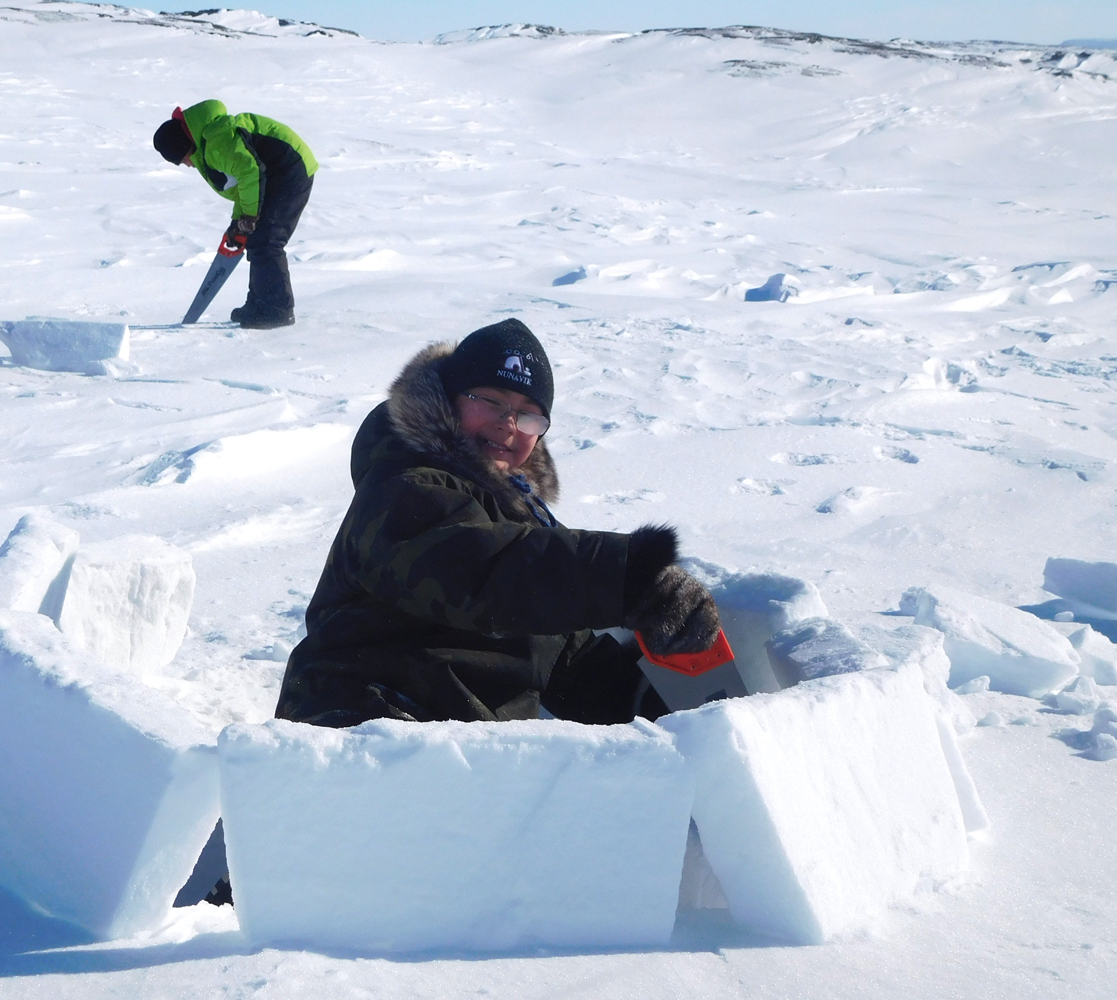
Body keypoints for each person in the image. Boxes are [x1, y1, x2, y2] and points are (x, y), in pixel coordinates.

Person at [275, 318, 722, 728]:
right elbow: (487, 573)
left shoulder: (510, 512)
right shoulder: (405, 489)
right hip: (361, 727)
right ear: (448, 401)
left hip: (462, 751)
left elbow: (557, 649)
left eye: (529, 414)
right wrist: (631, 579)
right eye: (490, 400)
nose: (508, 424)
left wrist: (663, 723)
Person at [153, 101, 316, 329]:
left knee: (267, 240)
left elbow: (251, 174)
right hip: (273, 174)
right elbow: (243, 185)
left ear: (183, 148)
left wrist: (249, 217)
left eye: (181, 160)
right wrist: (238, 223)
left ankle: (277, 310)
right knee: (257, 237)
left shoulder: (218, 143)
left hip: (291, 169)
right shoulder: (208, 142)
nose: (186, 165)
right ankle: (259, 304)